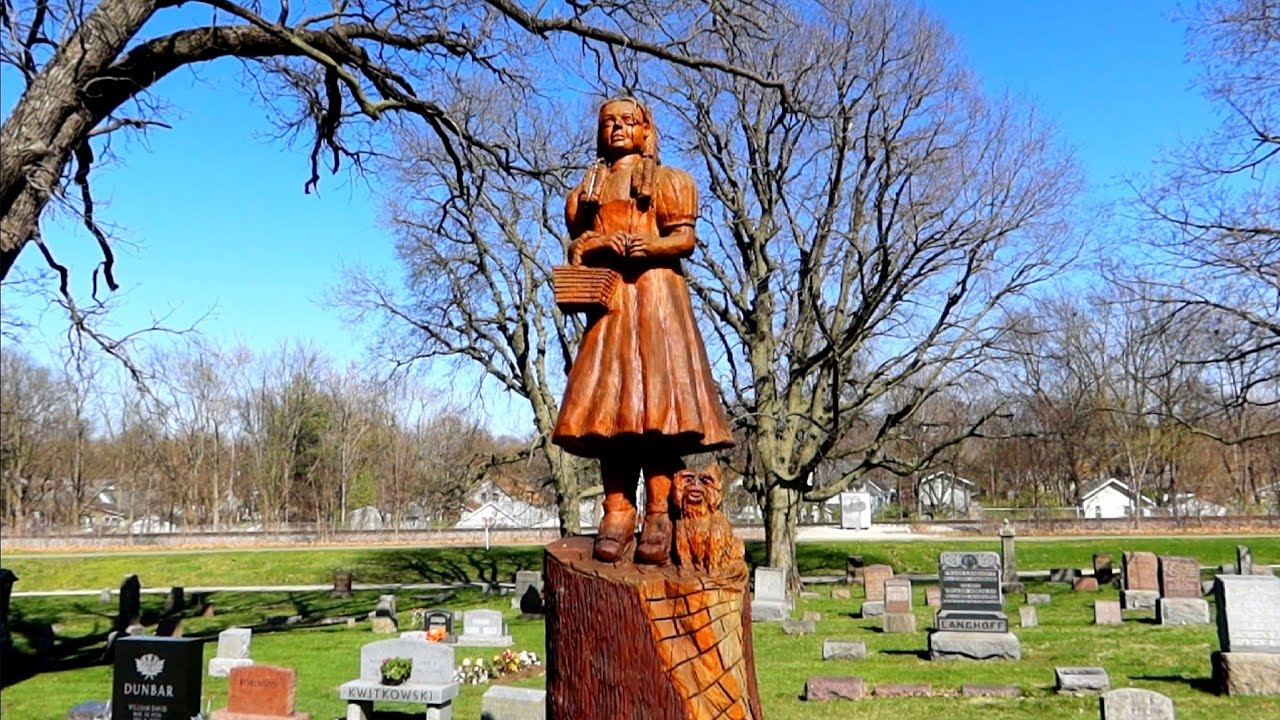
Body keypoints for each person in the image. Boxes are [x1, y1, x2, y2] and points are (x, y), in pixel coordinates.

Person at [552, 97, 734, 564]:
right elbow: (577, 247)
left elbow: (685, 238)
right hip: (612, 306)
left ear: (645, 129)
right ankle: (617, 509)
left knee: (657, 412)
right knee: (610, 416)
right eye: (609, 122)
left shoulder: (669, 181)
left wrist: (649, 245)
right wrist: (596, 243)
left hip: (655, 302)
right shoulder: (589, 188)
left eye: (628, 121)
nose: (617, 129)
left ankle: (658, 512)